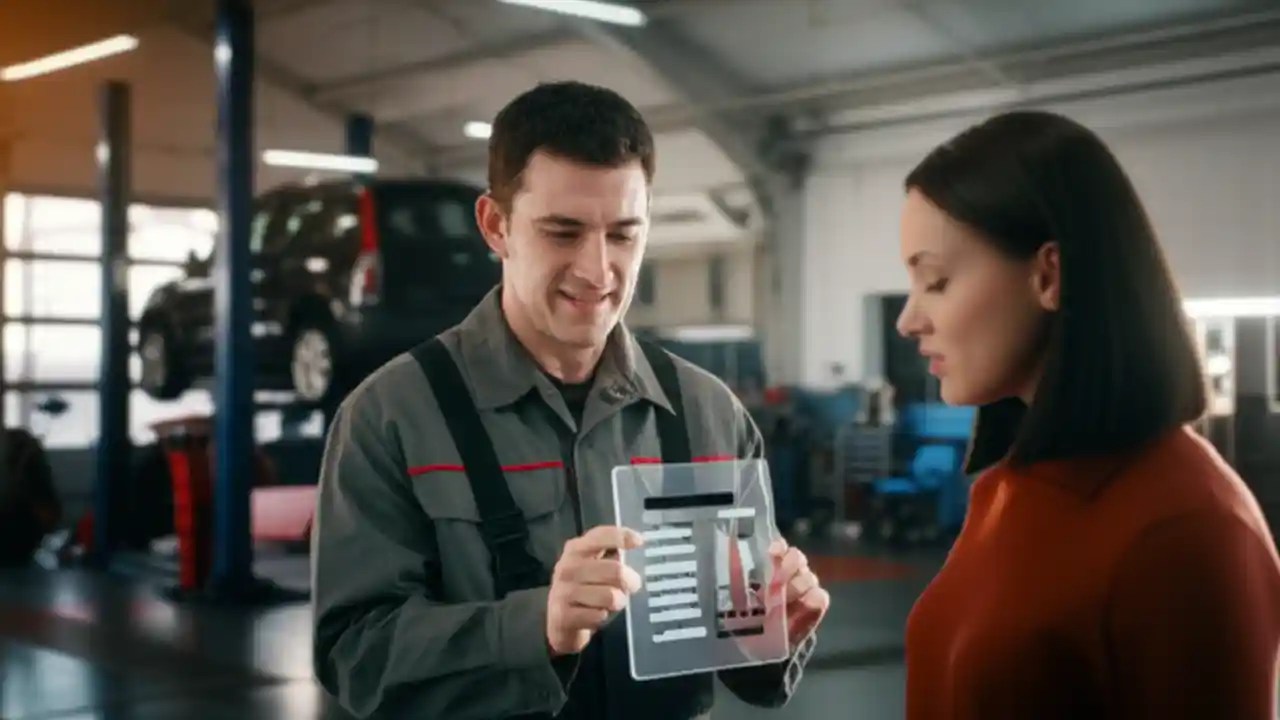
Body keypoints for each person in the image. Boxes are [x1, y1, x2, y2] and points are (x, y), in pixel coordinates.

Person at [311, 80, 829, 720]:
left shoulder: (710, 414)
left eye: (623, 235)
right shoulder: (389, 418)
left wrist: (776, 629)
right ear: (495, 226)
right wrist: (534, 627)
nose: (597, 270)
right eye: (563, 232)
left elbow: (745, 660)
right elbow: (355, 656)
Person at [894, 109, 1280, 718]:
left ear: (1049, 275)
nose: (908, 320)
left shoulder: (1185, 528)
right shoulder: (1007, 490)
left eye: (936, 281)